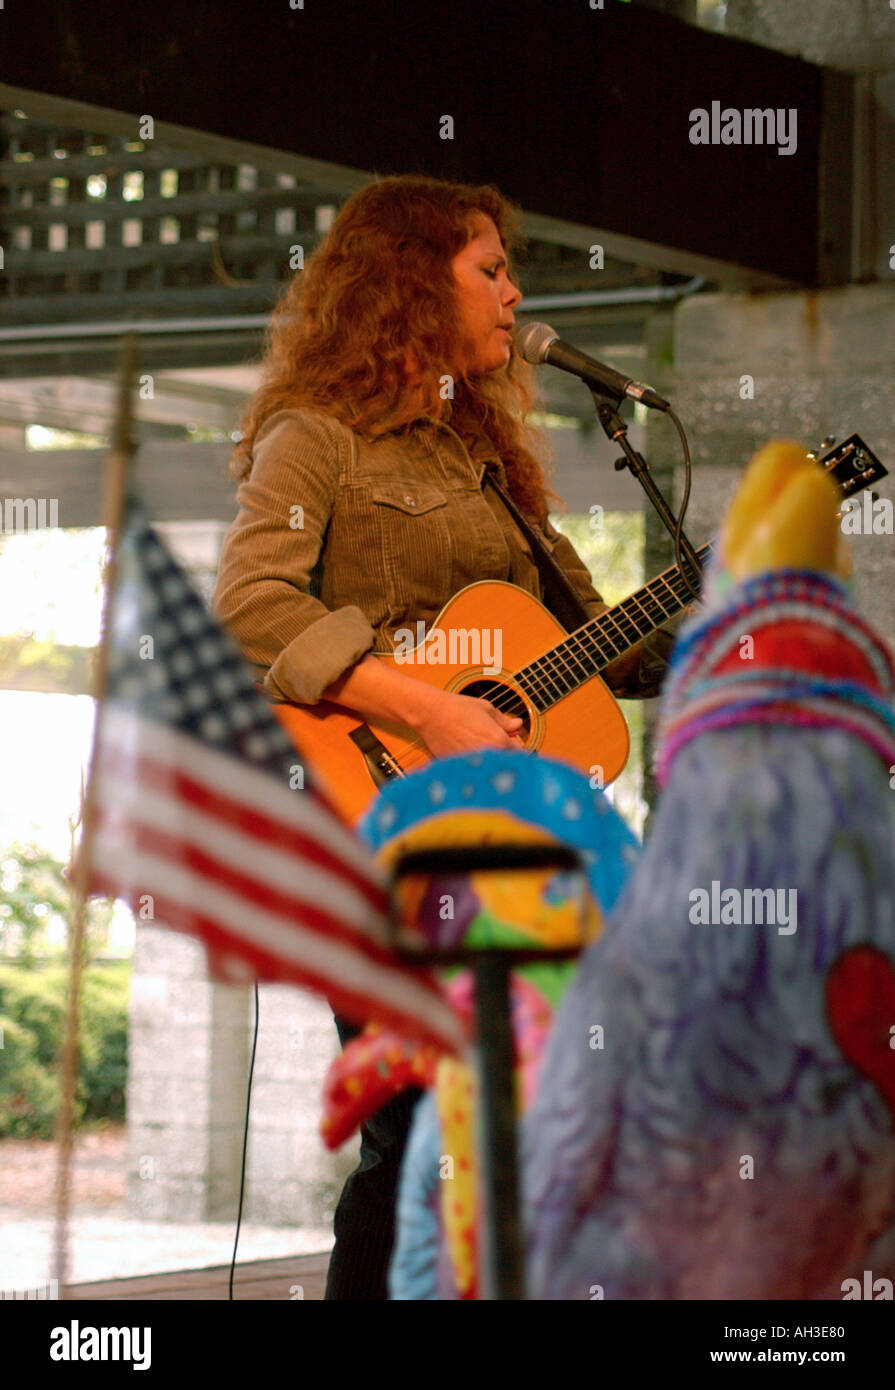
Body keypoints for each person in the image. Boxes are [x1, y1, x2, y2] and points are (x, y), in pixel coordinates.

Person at [212, 173, 678, 1298]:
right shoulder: (313, 436)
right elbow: (248, 601)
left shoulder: (487, 464)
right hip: (366, 812)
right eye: (492, 270)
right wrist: (428, 707)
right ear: (413, 282)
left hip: (499, 840)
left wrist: (732, 603)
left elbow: (600, 648)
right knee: (418, 1108)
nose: (516, 297)